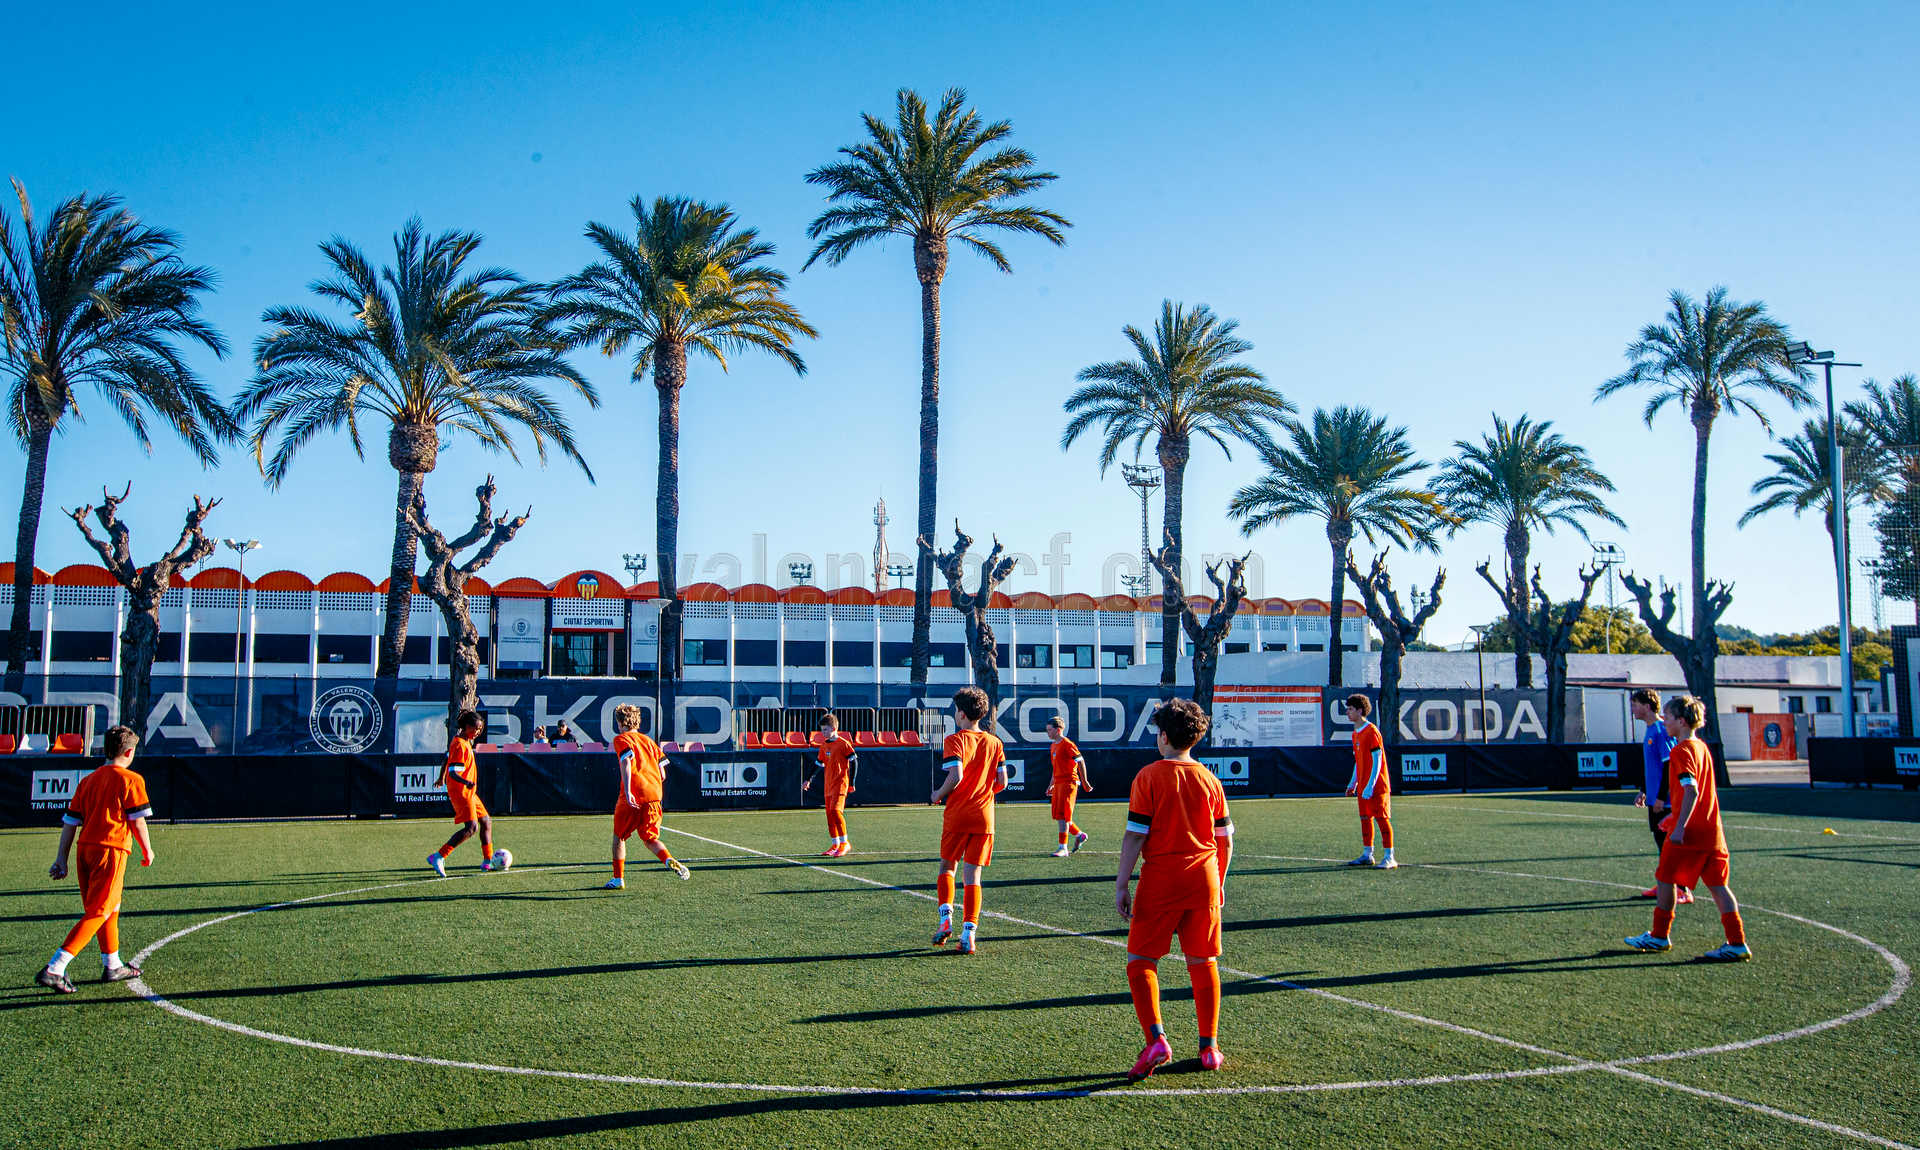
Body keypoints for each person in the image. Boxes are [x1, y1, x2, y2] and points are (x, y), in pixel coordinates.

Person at [1115, 698, 1234, 1079]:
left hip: (1162, 879)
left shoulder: (1149, 776)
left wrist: (1122, 882)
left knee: (1141, 962)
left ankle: (1157, 1040)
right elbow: (1225, 839)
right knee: (1203, 962)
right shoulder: (1210, 779)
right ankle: (1210, 1047)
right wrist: (1220, 882)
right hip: (1204, 879)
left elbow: (1136, 835)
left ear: (1163, 736)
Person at [1624, 695, 1751, 962]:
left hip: (1689, 833)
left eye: (1668, 717)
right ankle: (1737, 942)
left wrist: (1679, 826)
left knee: (1665, 878)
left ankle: (1659, 936)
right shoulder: (1702, 747)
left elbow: (1690, 790)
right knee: (1718, 887)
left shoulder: (1680, 751)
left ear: (1680, 721)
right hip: (1711, 831)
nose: (1665, 722)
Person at [36, 726, 154, 994]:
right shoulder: (131, 780)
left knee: (110, 907)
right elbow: (137, 821)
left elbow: (70, 823)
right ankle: (55, 968)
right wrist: (147, 850)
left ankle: (112, 964)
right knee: (100, 910)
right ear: (129, 751)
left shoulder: (87, 781)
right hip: (110, 850)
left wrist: (61, 859)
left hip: (84, 851)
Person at [929, 686, 1008, 955]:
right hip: (985, 817)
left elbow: (956, 776)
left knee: (947, 868)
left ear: (961, 714)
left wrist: (938, 794)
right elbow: (1002, 782)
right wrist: (983, 794)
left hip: (959, 814)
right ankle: (969, 935)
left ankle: (945, 920)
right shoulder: (995, 742)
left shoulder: (955, 739)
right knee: (973, 876)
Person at [604, 703, 690, 887]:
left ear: (620, 722)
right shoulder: (649, 742)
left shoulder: (622, 739)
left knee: (619, 837)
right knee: (650, 838)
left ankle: (618, 879)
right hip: (654, 795)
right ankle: (669, 860)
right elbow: (663, 774)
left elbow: (626, 762)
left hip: (635, 793)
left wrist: (628, 791)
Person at [1630, 688, 1689, 902]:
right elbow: (1653, 767)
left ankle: (1682, 888)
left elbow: (1669, 765)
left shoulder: (1660, 729)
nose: (1633, 709)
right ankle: (1666, 884)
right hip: (1655, 798)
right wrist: (1644, 791)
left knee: (1669, 845)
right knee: (1660, 843)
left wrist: (1662, 797)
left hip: (1665, 801)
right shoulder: (1650, 730)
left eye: (1635, 704)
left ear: (1647, 706)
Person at [428, 710, 500, 876]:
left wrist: (440, 777)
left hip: (468, 791)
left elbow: (446, 758)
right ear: (467, 727)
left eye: (480, 729)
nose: (478, 732)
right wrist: (465, 781)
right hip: (461, 791)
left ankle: (488, 860)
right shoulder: (460, 744)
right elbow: (454, 772)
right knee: (472, 827)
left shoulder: (464, 741)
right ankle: (439, 856)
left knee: (486, 821)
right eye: (476, 728)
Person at [1342, 694, 1396, 869]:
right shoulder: (1355, 734)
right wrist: (1353, 783)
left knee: (1381, 818)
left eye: (1350, 709)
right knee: (1365, 818)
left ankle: (1389, 857)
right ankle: (1367, 854)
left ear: (1359, 710)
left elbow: (1378, 759)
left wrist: (1371, 785)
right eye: (1347, 708)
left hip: (1377, 786)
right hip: (1364, 786)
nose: (1347, 712)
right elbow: (1358, 762)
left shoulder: (1371, 731)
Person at [801, 713, 858, 857]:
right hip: (828, 785)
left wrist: (852, 783)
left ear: (834, 728)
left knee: (836, 811)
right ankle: (835, 844)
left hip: (840, 783)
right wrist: (808, 779)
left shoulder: (844, 744)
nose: (823, 732)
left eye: (825, 729)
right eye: (822, 730)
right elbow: (818, 764)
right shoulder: (824, 745)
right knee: (829, 815)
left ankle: (845, 843)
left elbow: (854, 761)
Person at [1045, 715, 1093, 857]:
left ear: (1058, 730)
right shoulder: (1053, 745)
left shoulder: (1067, 744)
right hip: (1059, 783)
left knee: (1064, 816)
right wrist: (1051, 785)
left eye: (1049, 730)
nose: (1047, 733)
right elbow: (1055, 768)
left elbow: (1080, 761)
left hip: (1069, 783)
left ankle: (1063, 848)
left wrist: (1084, 781)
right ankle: (1079, 835)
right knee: (1059, 816)